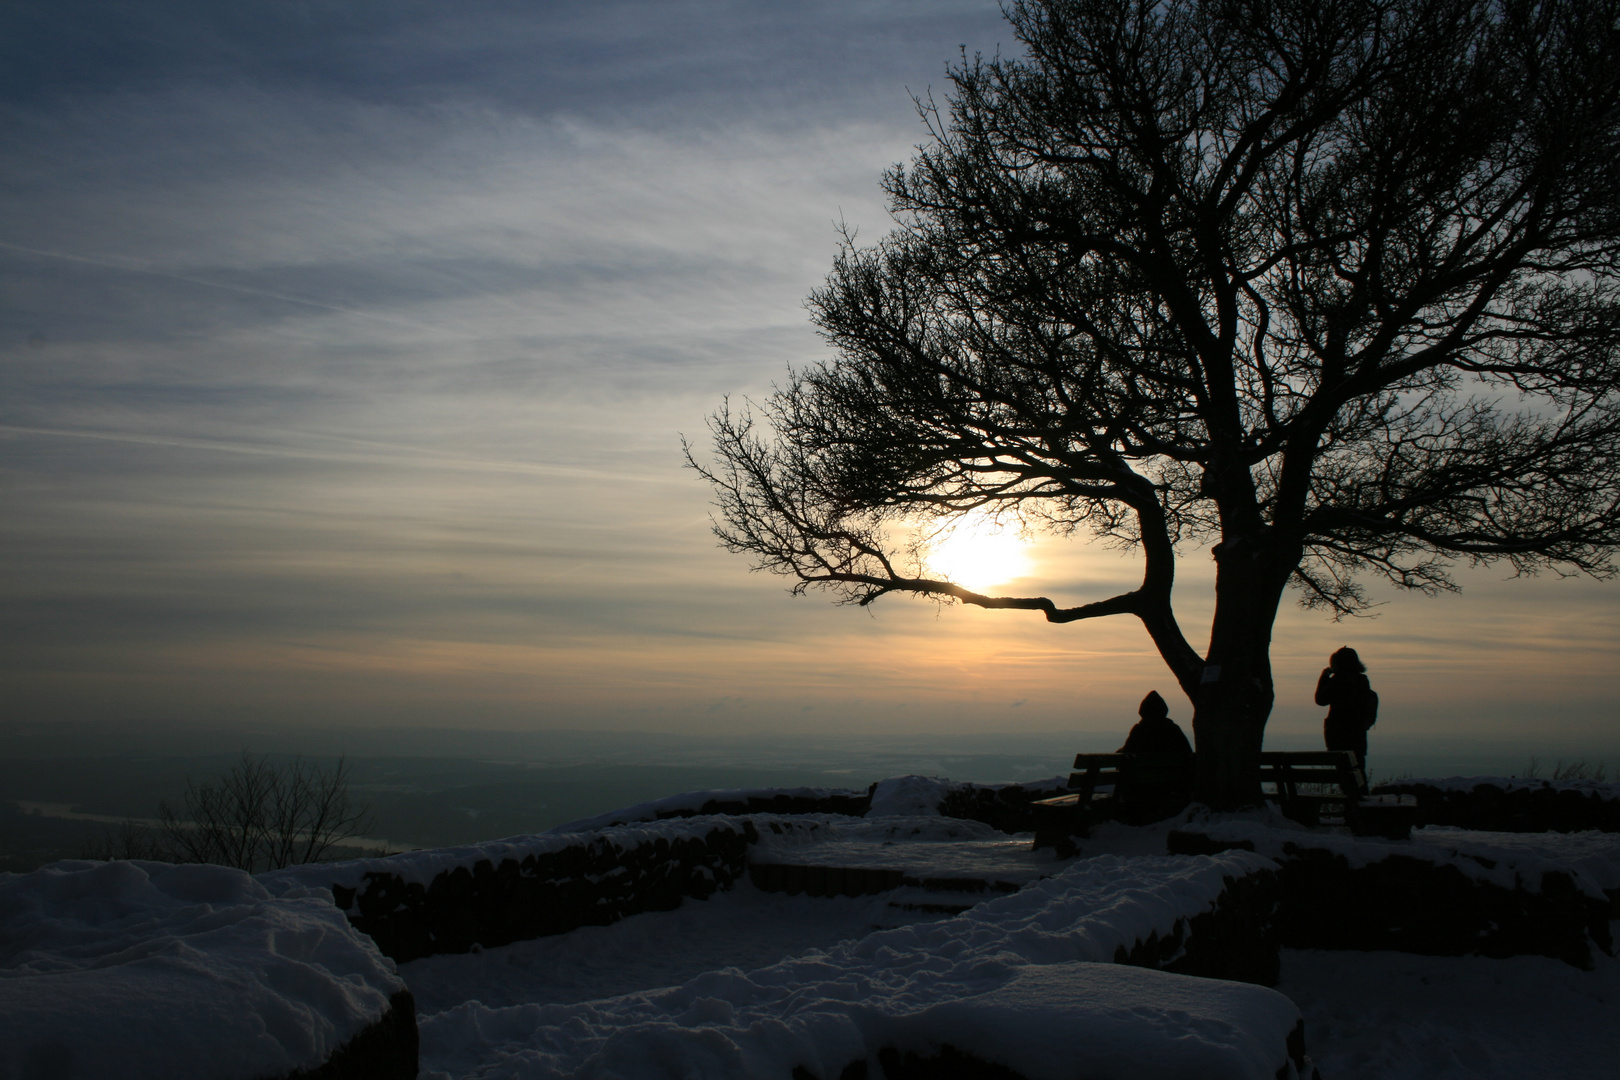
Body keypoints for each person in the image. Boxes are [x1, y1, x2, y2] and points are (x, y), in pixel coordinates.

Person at [1113, 691, 1193, 821]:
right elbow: (1187, 754)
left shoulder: (1140, 730)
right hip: (1171, 786)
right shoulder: (1173, 730)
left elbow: (1125, 755)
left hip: (1140, 788)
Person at [1316, 647, 1378, 789]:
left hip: (1338, 735)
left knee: (1344, 773)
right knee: (1358, 772)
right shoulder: (1363, 681)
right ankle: (1360, 805)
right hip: (1358, 736)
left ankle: (1351, 807)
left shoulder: (1338, 680)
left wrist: (1324, 677)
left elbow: (1320, 699)